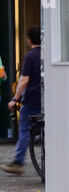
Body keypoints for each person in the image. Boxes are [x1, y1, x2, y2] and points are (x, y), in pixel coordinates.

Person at [4, 27, 41, 175]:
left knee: (24, 130)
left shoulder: (30, 56)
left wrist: (15, 99)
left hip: (31, 100)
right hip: (44, 100)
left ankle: (18, 162)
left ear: (29, 40)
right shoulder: (46, 54)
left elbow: (24, 80)